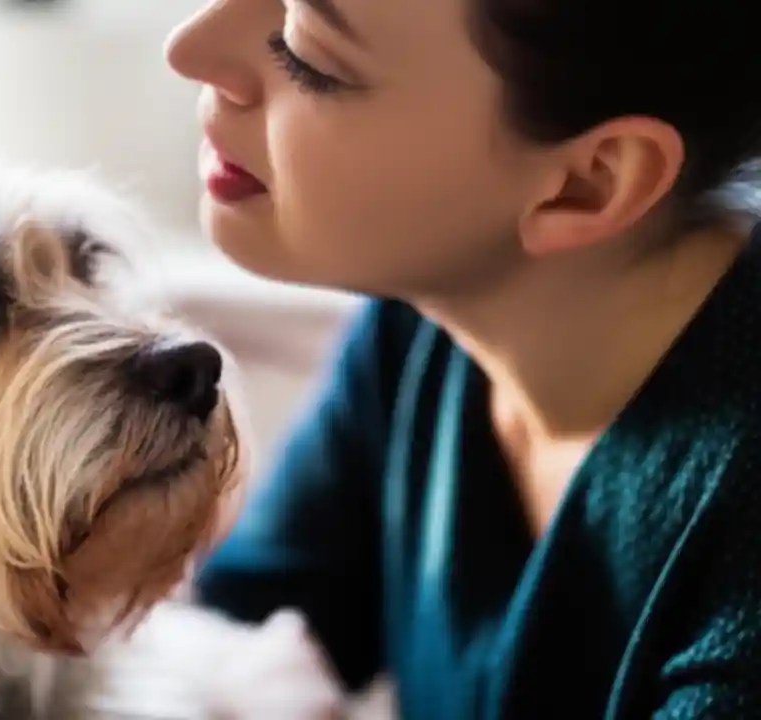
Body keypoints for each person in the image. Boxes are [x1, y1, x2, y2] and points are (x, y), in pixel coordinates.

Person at [166, 0, 761, 717]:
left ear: (589, 182)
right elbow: (227, 643)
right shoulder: (429, 316)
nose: (189, 48)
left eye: (308, 55)